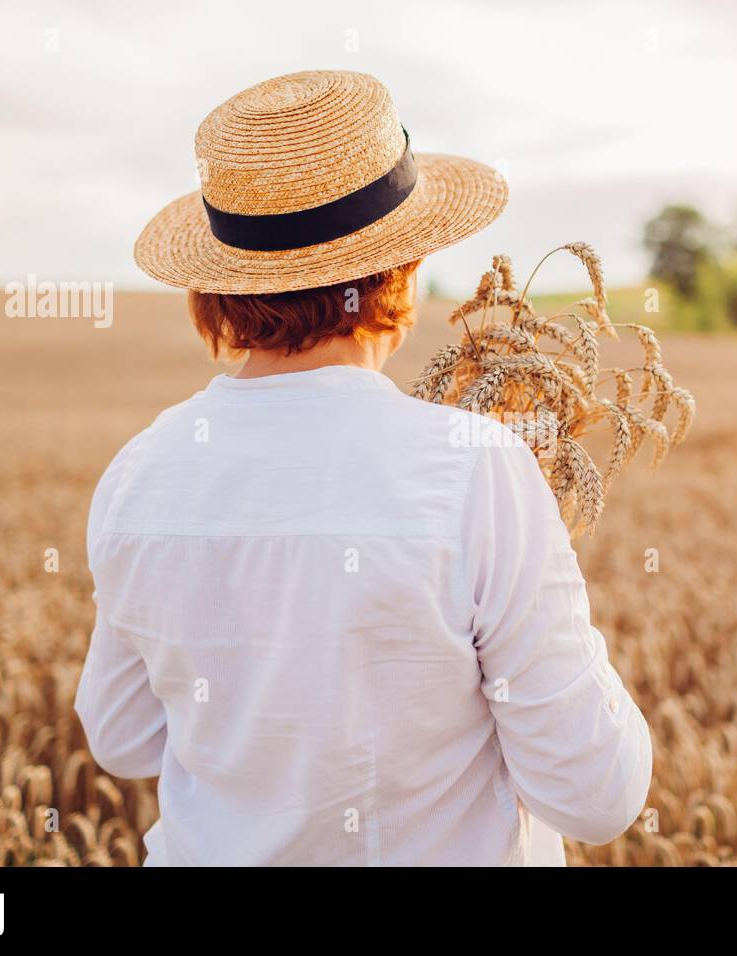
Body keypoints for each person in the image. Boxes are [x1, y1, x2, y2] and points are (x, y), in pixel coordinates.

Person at [74, 70, 651, 866]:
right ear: (401, 268)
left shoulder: (137, 477)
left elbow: (123, 737)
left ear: (218, 288)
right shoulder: (480, 474)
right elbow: (596, 795)